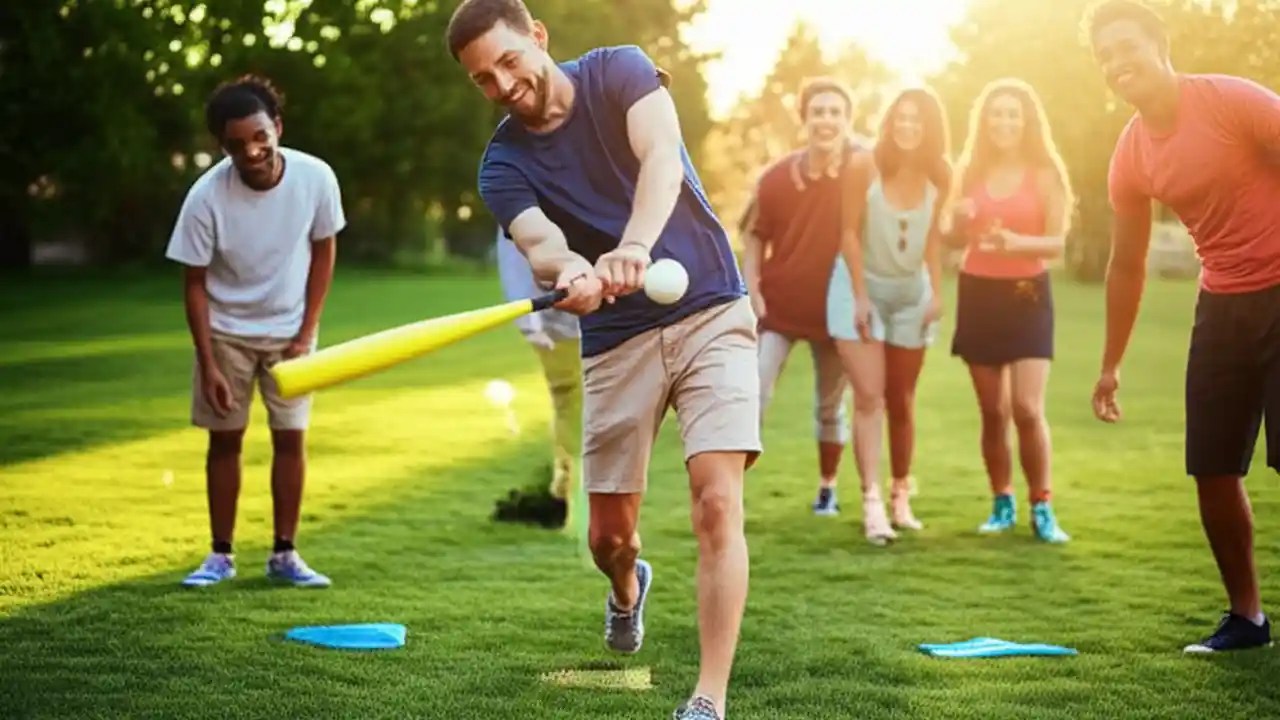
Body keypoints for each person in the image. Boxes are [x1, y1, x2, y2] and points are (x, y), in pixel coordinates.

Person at [447, 2, 761, 718]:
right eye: (483, 79)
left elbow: (661, 160)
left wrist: (633, 248)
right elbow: (541, 246)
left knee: (718, 503)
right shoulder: (502, 166)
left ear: (537, 37)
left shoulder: (620, 70)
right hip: (617, 340)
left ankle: (708, 700)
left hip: (711, 306)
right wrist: (571, 277)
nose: (502, 83)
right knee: (608, 536)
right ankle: (627, 587)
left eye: (508, 61)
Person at [1085, 0, 1277, 652]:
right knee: (1213, 467)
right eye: (1104, 57)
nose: (1116, 64)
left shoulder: (1232, 101)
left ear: (1161, 44)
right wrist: (1111, 365)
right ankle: (1247, 619)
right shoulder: (1132, 154)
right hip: (1222, 304)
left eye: (1124, 47)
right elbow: (1127, 265)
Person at [166, 74, 343, 588]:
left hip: (291, 333)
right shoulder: (205, 198)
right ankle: (220, 556)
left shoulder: (316, 178)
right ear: (221, 146)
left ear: (277, 127)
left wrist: (307, 330)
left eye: (261, 136)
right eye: (237, 143)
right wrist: (209, 361)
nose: (253, 150)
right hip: (225, 333)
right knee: (225, 442)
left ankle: (284, 555)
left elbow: (324, 249)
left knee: (291, 438)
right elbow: (194, 283)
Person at [943, 77, 1072, 544]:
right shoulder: (969, 170)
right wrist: (957, 220)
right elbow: (950, 235)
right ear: (985, 120)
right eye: (996, 113)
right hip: (978, 291)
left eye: (1013, 114)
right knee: (992, 412)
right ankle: (1002, 502)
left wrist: (1019, 243)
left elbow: (1058, 242)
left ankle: (1042, 506)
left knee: (1026, 408)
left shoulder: (1045, 173)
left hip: (1027, 293)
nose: (1004, 121)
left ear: (1027, 121)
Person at [826, 86, 951, 545]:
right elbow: (848, 235)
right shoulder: (865, 165)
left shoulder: (941, 176)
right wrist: (860, 296)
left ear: (931, 127)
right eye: (901, 118)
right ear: (889, 122)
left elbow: (933, 240)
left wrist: (936, 293)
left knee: (902, 400)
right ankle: (871, 501)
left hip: (910, 294)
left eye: (917, 120)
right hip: (859, 289)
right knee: (870, 398)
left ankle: (901, 494)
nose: (908, 127)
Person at [739, 77, 857, 518]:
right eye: (818, 112)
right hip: (780, 308)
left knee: (830, 406)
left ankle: (828, 488)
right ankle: (731, 489)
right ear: (804, 119)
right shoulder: (774, 180)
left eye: (835, 113)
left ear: (847, 121)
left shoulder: (861, 172)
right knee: (752, 395)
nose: (826, 121)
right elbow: (754, 239)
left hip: (836, 311)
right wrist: (752, 291)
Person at [491, 226, 583, 529]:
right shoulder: (524, 191)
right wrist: (529, 322)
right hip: (556, 323)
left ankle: (563, 490)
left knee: (576, 403)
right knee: (574, 402)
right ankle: (571, 498)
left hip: (588, 316)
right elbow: (515, 255)